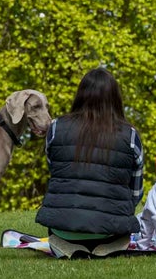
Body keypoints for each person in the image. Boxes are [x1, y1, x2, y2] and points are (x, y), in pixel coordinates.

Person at [35, 68, 144, 258]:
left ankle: (70, 246)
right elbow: (135, 192)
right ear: (115, 99)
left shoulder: (55, 128)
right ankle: (102, 247)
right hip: (112, 235)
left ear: (80, 95)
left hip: (63, 233)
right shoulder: (131, 135)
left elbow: (56, 172)